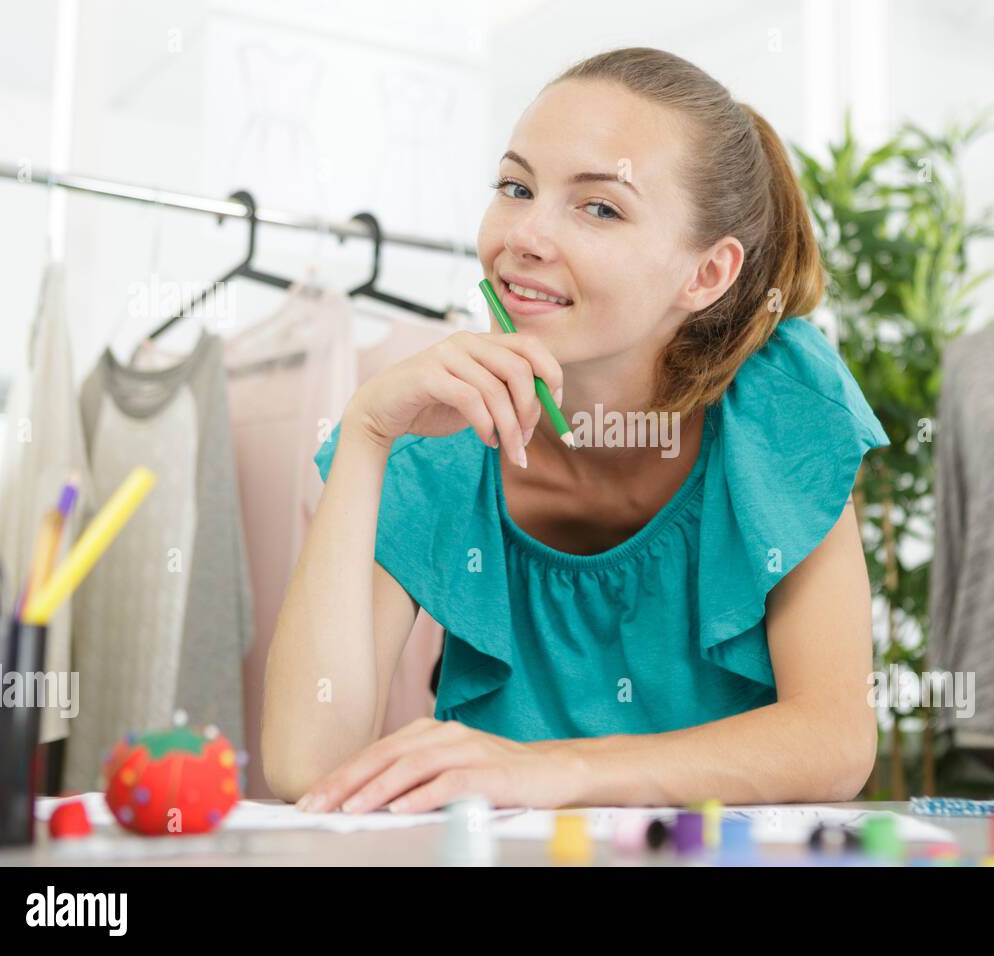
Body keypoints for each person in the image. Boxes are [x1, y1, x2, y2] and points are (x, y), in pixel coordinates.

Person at [261, 47, 890, 813]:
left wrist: (552, 771)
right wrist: (365, 436)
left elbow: (834, 740)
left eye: (599, 207)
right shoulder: (438, 427)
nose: (524, 234)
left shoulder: (780, 401)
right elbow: (306, 763)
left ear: (707, 274)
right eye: (516, 186)